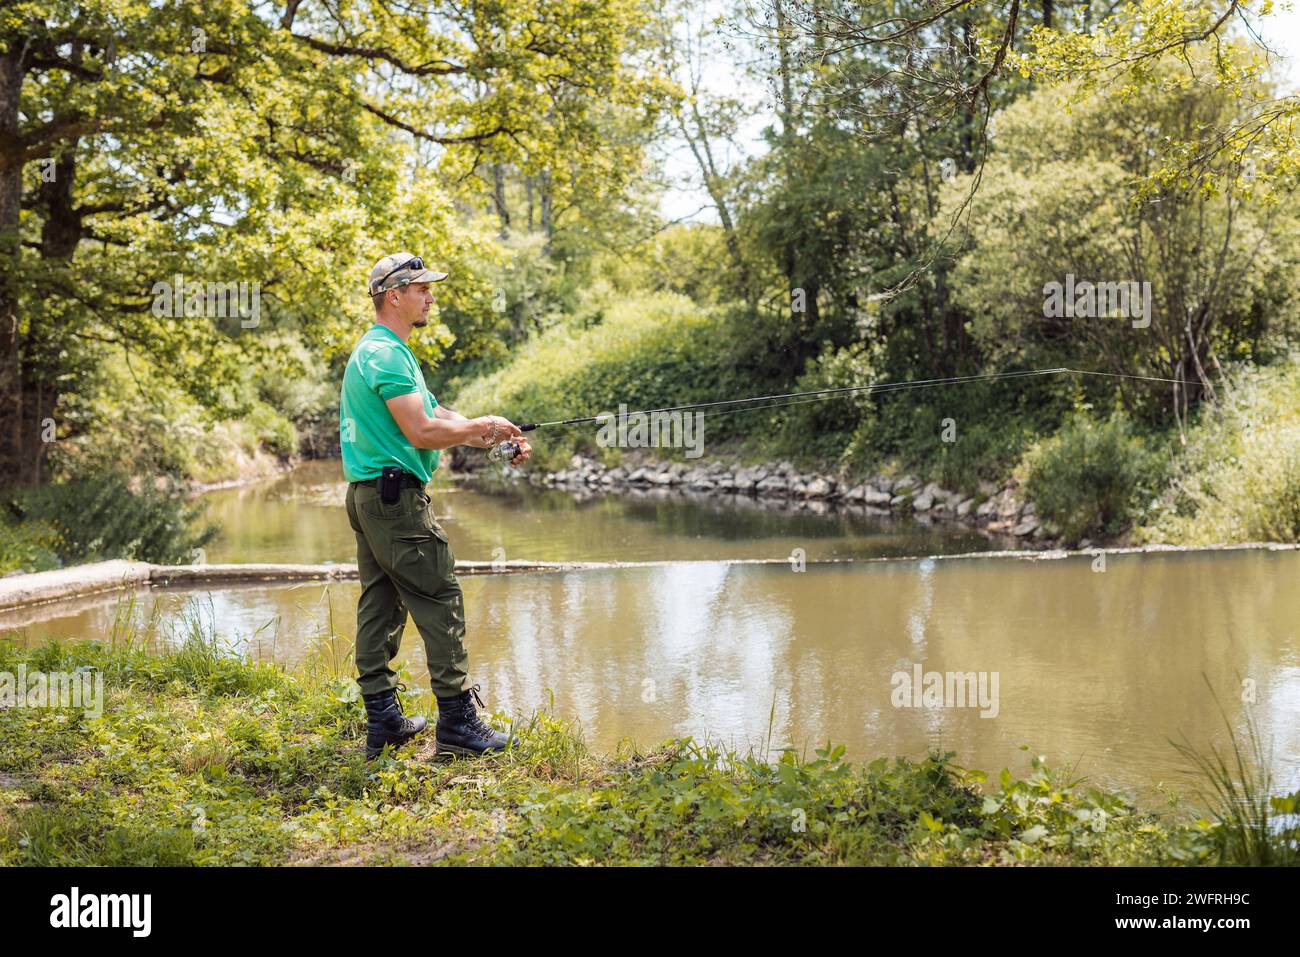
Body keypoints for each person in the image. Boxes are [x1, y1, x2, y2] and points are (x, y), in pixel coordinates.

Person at [340, 252, 531, 760]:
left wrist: (494, 434)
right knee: (440, 597)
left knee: (381, 602)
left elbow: (435, 412)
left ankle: (383, 721)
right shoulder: (383, 353)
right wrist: (480, 427)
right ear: (393, 296)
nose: (431, 296)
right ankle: (458, 725)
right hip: (394, 500)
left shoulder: (388, 351)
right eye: (421, 288)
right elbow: (422, 431)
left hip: (371, 496)